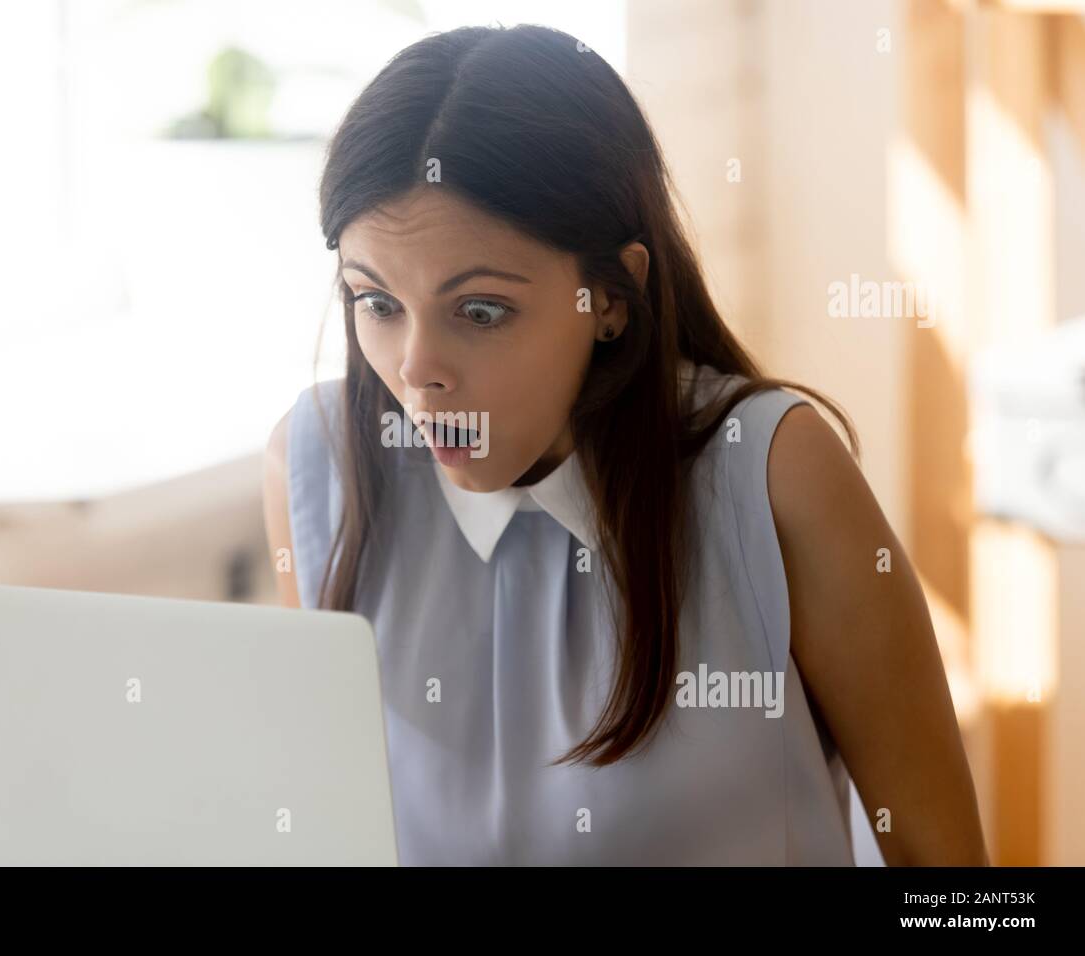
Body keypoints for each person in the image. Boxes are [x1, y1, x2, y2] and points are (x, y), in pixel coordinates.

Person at [262, 23, 987, 866]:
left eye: (481, 311)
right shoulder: (317, 470)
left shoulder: (776, 476)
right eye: (376, 302)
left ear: (610, 295)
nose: (417, 370)